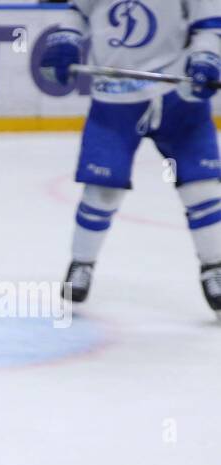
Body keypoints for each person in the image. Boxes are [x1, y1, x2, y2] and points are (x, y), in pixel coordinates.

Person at [40, 0, 221, 312]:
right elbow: (77, 11)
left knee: (201, 187)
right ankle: (82, 262)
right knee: (102, 190)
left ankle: (214, 266)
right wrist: (65, 40)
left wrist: (206, 58)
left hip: (179, 97)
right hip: (113, 96)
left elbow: (208, 24)